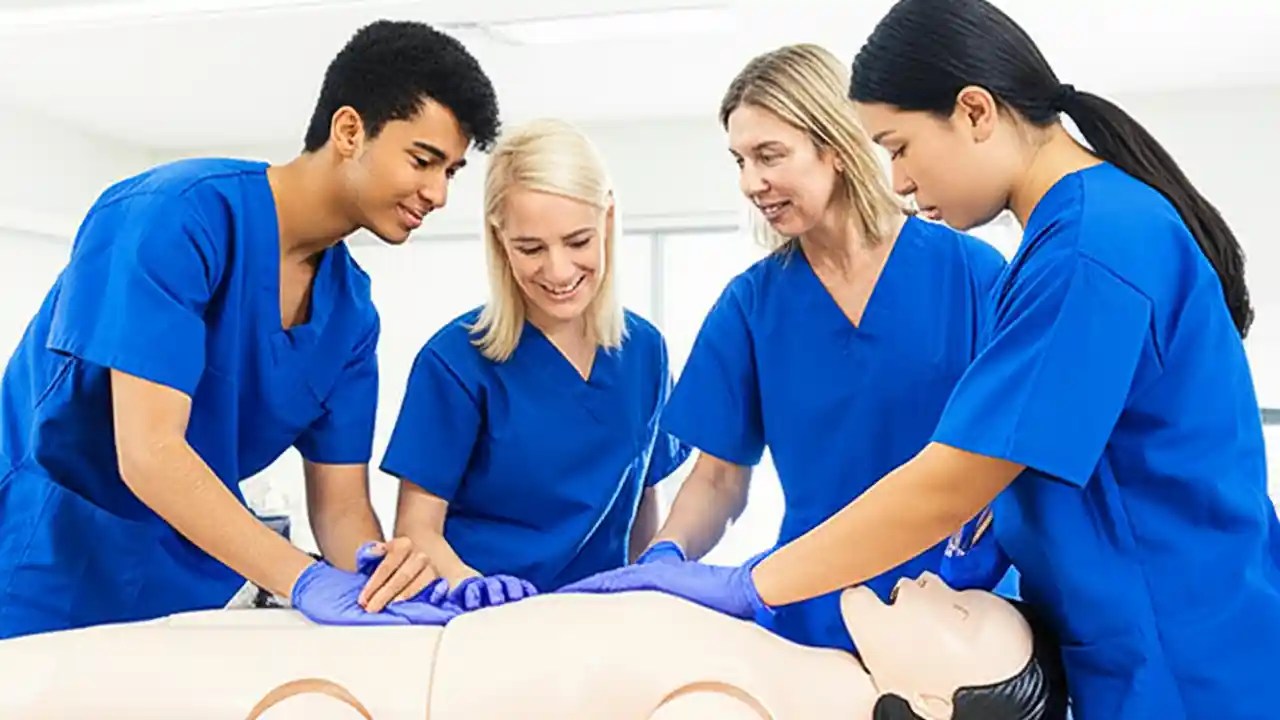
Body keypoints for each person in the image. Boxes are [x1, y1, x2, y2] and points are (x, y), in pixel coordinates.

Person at [560, 0, 1280, 717]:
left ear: (974, 113)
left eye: (899, 147)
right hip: (1131, 641)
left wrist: (751, 585)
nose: (898, 180)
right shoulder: (1081, 233)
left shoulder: (1089, 249)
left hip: (1178, 658)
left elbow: (954, 480)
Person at [0, 19, 500, 640]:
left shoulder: (350, 314)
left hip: (188, 586)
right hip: (44, 559)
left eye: (450, 171)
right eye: (423, 161)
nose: (437, 193)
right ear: (349, 131)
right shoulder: (172, 217)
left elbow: (341, 509)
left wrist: (387, 585)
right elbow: (150, 454)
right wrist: (303, 579)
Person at [628, 43, 1008, 653]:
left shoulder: (972, 275)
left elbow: (1016, 455)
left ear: (835, 146)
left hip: (962, 617)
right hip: (814, 619)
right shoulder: (752, 306)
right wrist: (665, 557)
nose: (752, 182)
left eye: (769, 156)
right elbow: (720, 478)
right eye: (740, 161)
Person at [0, 572, 1066, 720]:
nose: (935, 582)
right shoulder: (812, 672)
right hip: (400, 656)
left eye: (962, 617)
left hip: (376, 696)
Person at [379, 118, 689, 610]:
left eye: (579, 241)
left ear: (608, 221)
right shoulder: (456, 363)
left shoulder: (645, 353)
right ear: (500, 240)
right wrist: (469, 587)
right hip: (480, 623)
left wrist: (646, 586)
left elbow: (642, 503)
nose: (559, 270)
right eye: (531, 249)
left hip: (598, 623)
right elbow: (416, 532)